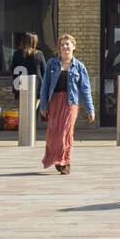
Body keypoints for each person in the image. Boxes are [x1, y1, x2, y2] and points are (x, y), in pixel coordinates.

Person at [38, 34, 95, 175]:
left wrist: (90, 109)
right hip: (54, 102)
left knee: (66, 132)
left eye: (67, 44)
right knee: (53, 133)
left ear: (73, 47)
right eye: (62, 45)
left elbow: (85, 89)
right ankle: (56, 158)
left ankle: (65, 161)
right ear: (59, 48)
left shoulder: (79, 67)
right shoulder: (52, 63)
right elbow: (45, 86)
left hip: (70, 103)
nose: (65, 47)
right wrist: (43, 105)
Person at [10, 32, 45, 103]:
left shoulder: (16, 54)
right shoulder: (39, 54)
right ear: (34, 43)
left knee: (23, 111)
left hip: (21, 86)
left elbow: (13, 70)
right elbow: (44, 71)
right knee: (34, 111)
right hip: (36, 87)